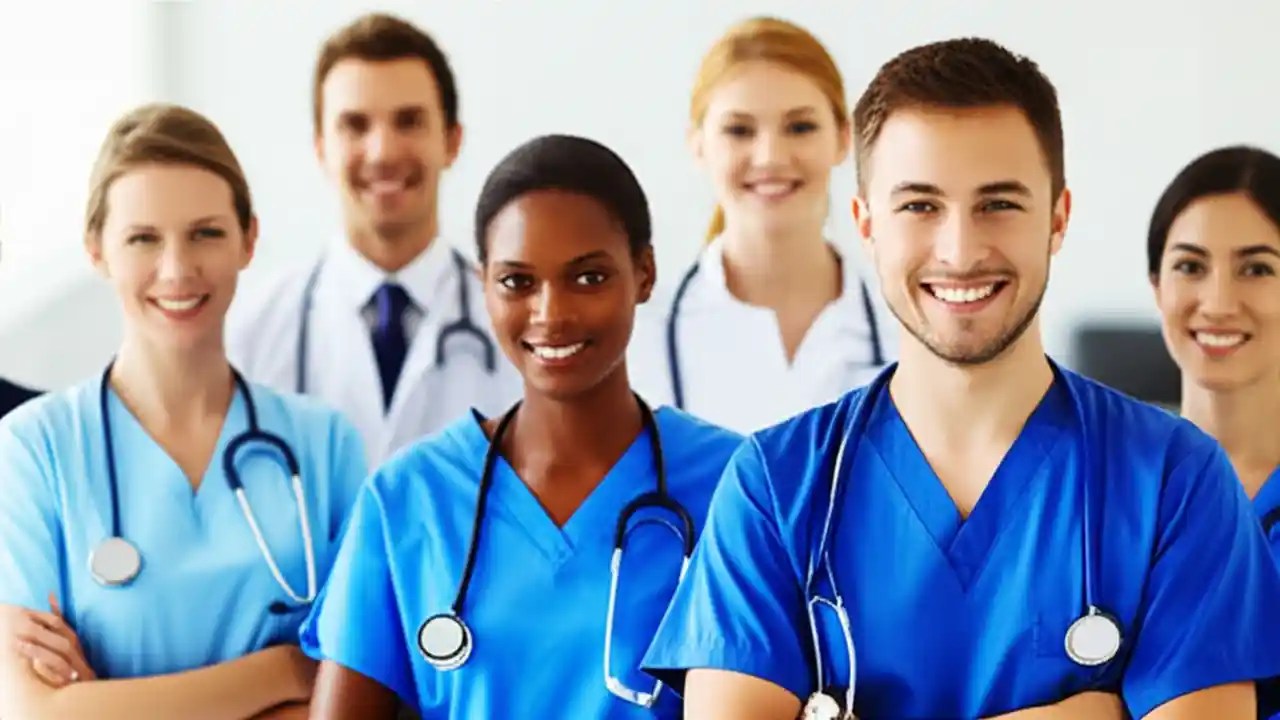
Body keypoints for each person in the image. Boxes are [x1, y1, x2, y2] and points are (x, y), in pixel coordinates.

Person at [641, 38, 1280, 719]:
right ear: (867, 224)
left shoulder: (1176, 482)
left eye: (998, 203)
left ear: (1057, 218)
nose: (960, 250)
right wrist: (1092, 711)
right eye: (920, 206)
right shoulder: (776, 485)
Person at [299, 134, 744, 719]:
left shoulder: (732, 487)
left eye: (588, 278)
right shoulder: (411, 496)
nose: (551, 313)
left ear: (644, 273)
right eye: (517, 281)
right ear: (484, 286)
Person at [0, 103, 368, 720]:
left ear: (249, 239)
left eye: (206, 233)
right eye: (143, 238)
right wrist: (281, 670)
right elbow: (34, 711)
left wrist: (104, 705)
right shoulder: (33, 450)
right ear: (97, 251)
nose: (177, 270)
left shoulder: (325, 444)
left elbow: (360, 697)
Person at [228, 12, 520, 467]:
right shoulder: (251, 333)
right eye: (355, 125)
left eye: (409, 122)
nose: (382, 152)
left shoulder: (519, 324)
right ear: (321, 147)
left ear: (452, 141)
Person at [627, 16, 893, 435]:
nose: (770, 156)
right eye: (739, 130)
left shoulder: (906, 329)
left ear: (845, 138)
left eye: (800, 127)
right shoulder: (640, 337)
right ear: (697, 145)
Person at [1147, 145, 1280, 719]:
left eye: (1257, 268)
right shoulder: (1099, 491)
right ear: (1157, 287)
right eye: (1190, 266)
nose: (1219, 302)